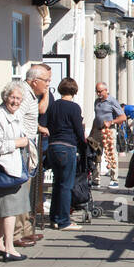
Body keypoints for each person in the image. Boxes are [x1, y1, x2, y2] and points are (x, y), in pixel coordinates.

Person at [0, 80, 33, 261]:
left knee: (5, 209)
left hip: (14, 167)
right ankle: (9, 248)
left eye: (19, 98)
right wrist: (18, 143)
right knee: (10, 210)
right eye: (12, 97)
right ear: (6, 97)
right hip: (4, 169)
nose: (16, 101)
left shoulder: (14, 114)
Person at [15, 63, 51, 246]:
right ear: (34, 81)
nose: (48, 84)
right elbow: (15, 120)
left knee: (29, 192)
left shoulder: (30, 95)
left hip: (28, 147)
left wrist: (37, 128)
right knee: (21, 192)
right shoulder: (22, 94)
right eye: (46, 81)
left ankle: (26, 230)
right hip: (20, 150)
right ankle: (17, 233)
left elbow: (26, 119)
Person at [45, 77, 87, 231]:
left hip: (52, 146)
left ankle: (54, 218)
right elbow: (78, 130)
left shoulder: (53, 106)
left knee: (57, 184)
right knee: (66, 185)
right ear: (74, 91)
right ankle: (64, 221)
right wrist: (83, 144)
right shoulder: (74, 108)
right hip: (67, 147)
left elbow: (48, 124)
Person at [94, 81, 127, 187]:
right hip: (98, 130)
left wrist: (111, 122)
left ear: (106, 90)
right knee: (97, 153)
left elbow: (123, 117)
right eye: (97, 92)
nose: (98, 94)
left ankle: (114, 179)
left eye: (100, 92)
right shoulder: (97, 102)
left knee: (111, 154)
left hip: (109, 130)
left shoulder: (112, 101)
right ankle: (96, 178)